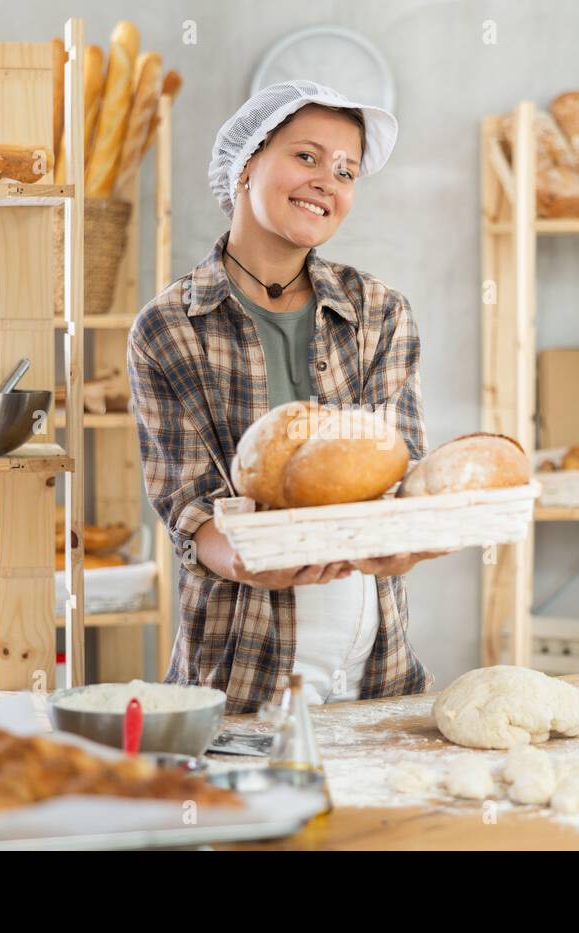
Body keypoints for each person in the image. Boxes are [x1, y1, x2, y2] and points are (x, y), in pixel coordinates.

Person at [128, 80, 441, 713]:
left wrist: (418, 529)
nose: (328, 179)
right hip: (242, 670)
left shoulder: (379, 313)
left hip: (377, 671)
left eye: (346, 170)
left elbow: (401, 473)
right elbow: (188, 513)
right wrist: (250, 558)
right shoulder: (169, 328)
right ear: (246, 164)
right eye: (306, 156)